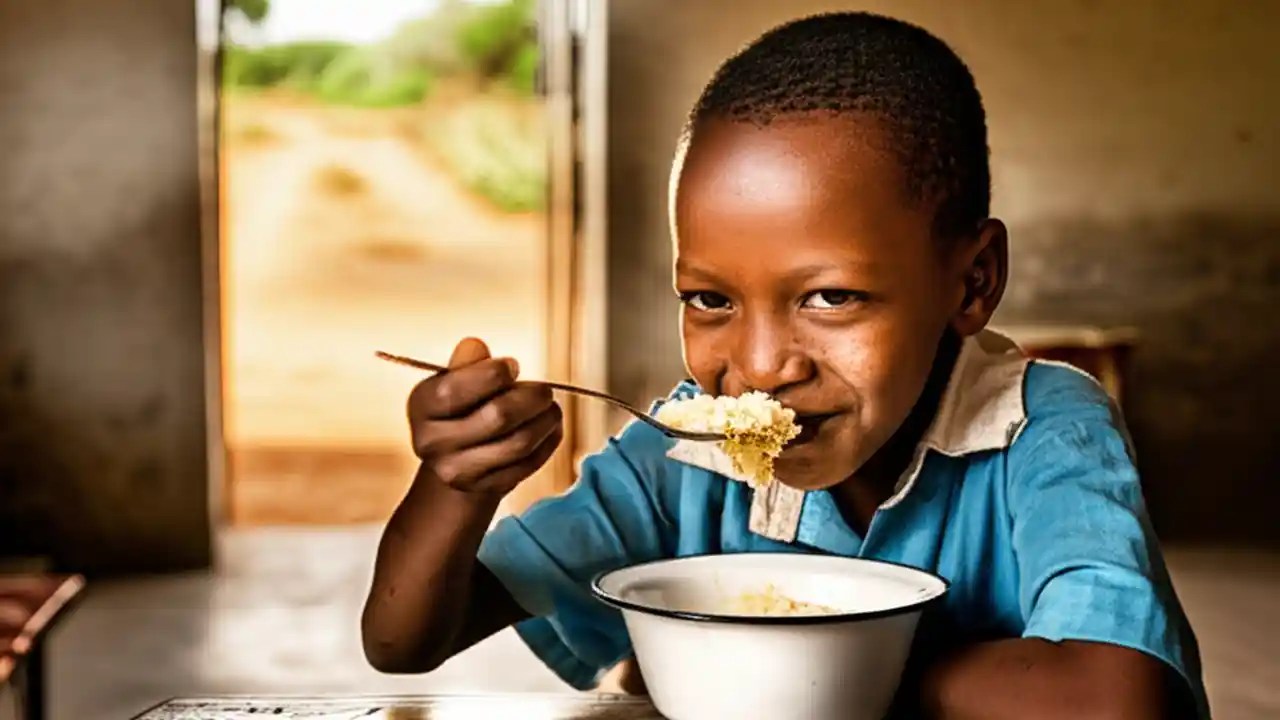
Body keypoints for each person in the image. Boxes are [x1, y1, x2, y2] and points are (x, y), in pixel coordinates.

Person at [361, 12, 1207, 718]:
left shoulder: (1042, 429)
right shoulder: (680, 460)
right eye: (710, 300)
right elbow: (404, 642)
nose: (760, 369)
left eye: (831, 298)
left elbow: (1114, 699)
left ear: (972, 281)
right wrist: (455, 486)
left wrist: (793, 672)